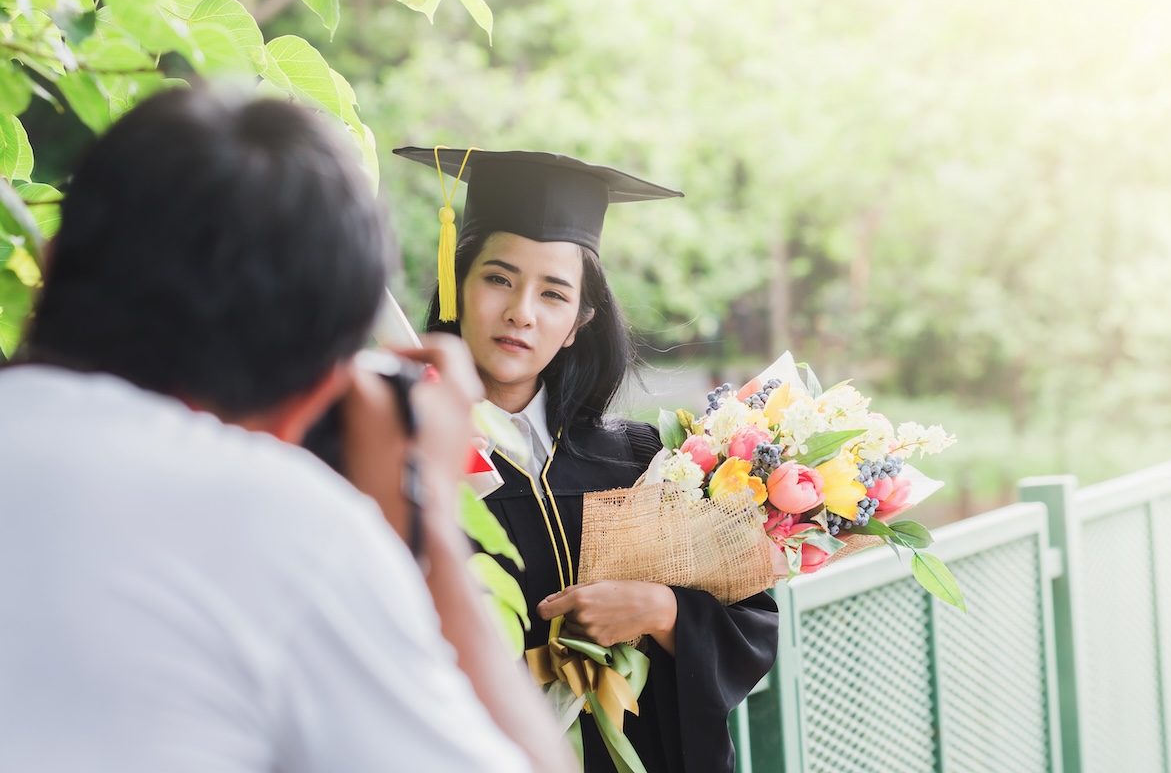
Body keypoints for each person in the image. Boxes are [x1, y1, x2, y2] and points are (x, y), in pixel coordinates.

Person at [0, 89, 576, 773]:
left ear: (51, 261)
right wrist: (431, 522)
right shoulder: (291, 532)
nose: (522, 314)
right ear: (322, 386)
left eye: (554, 294)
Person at [396, 146, 780, 773]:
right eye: (498, 278)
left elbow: (752, 620)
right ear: (455, 285)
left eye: (553, 294)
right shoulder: (406, 458)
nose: (521, 311)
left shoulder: (640, 461)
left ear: (578, 322)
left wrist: (665, 613)